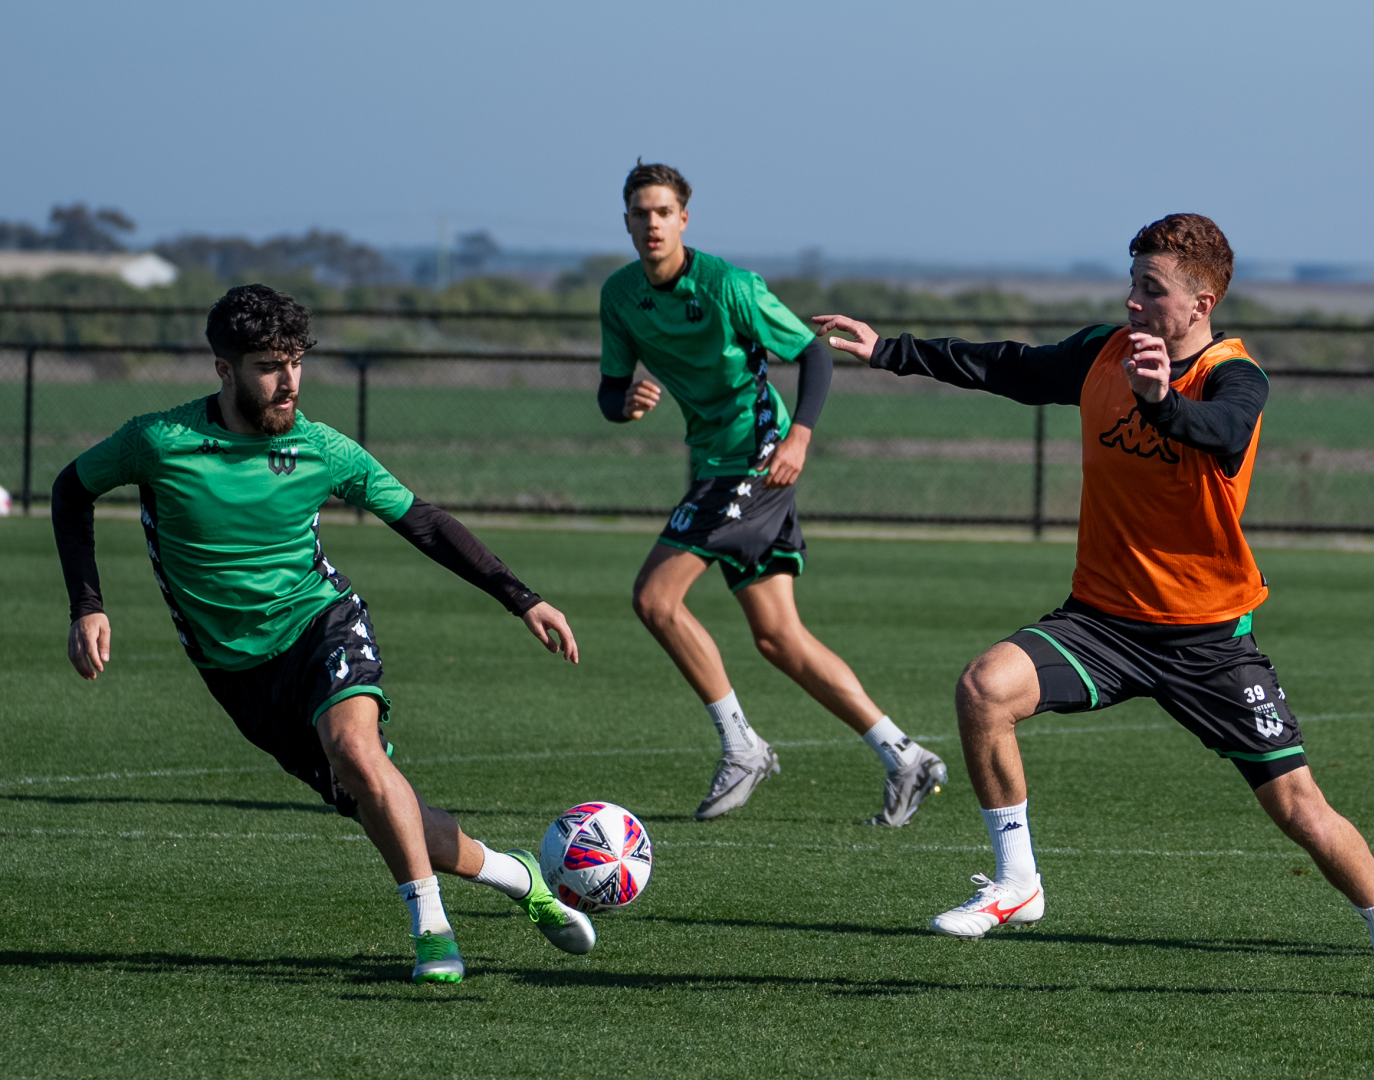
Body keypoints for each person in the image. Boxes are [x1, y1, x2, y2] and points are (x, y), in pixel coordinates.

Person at [815, 213, 1374, 1005]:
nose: (1135, 302)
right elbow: (1009, 365)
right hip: (1102, 622)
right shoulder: (1102, 352)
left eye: (1154, 289)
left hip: (1207, 639)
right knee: (984, 688)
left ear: (1201, 303)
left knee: (1300, 809)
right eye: (1133, 284)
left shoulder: (1234, 376)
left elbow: (1223, 430)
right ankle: (1017, 883)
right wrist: (892, 352)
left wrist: (1159, 402)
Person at [53, 285, 594, 986]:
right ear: (224, 370)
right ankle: (518, 876)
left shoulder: (321, 448)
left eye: (296, 363)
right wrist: (87, 604)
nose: (288, 383)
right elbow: (71, 490)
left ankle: (432, 931)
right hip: (238, 673)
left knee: (356, 752)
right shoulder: (158, 442)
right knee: (377, 798)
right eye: (268, 368)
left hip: (323, 623)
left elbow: (422, 521)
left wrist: (522, 598)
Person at [597, 158, 946, 825]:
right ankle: (903, 755)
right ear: (627, 221)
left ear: (684, 220)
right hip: (713, 465)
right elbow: (612, 389)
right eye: (640, 213)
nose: (651, 224)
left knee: (655, 598)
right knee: (778, 638)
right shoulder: (620, 296)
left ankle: (741, 747)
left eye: (663, 212)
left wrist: (800, 438)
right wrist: (627, 403)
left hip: (755, 461)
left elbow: (812, 352)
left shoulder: (728, 284)